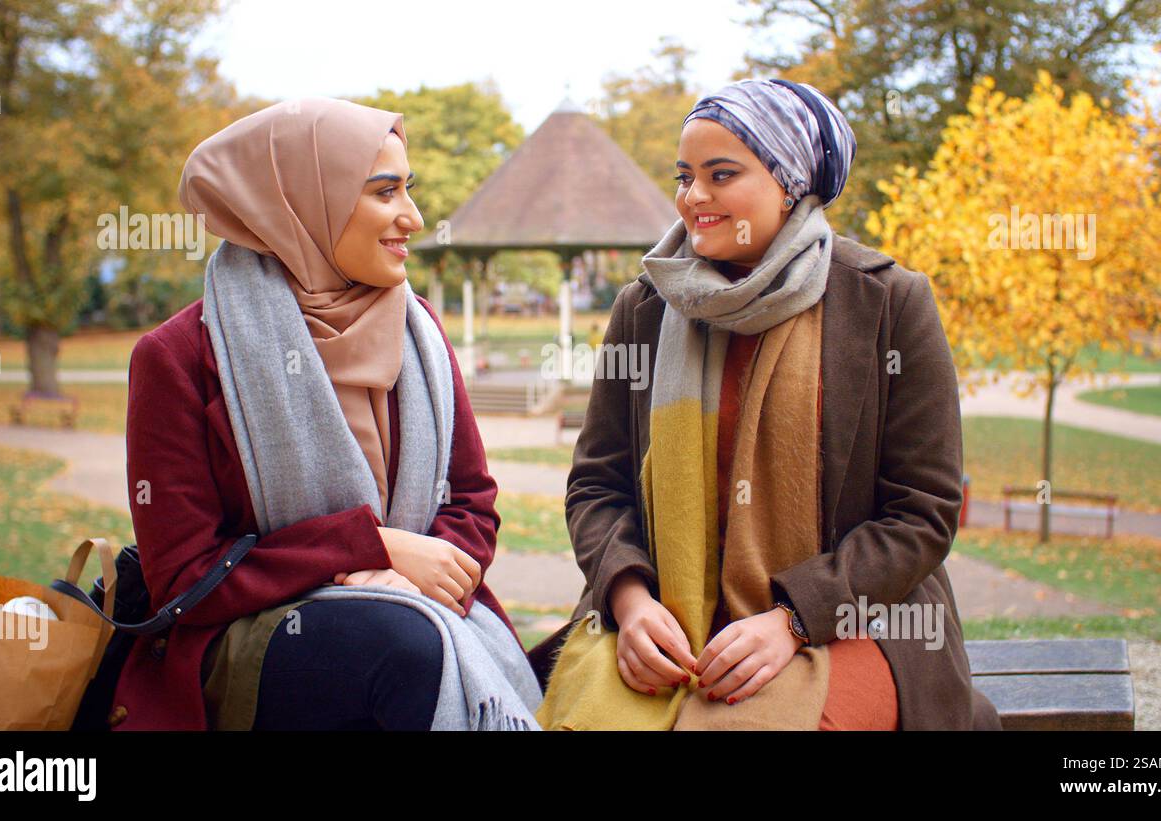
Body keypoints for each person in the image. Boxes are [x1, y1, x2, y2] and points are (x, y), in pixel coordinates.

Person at [531, 79, 1001, 730]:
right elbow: (596, 486)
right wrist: (631, 599)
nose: (694, 197)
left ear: (790, 182)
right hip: (668, 620)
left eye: (721, 174)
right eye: (685, 175)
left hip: (854, 622)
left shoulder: (888, 304)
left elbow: (922, 513)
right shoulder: (642, 310)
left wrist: (793, 620)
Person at [112, 98, 539, 731]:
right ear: (304, 204)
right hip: (245, 642)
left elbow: (472, 500)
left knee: (415, 638)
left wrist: (417, 577)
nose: (413, 218)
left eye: (408, 191)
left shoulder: (419, 333)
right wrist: (374, 550)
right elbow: (183, 576)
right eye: (384, 192)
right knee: (401, 645)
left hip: (417, 615)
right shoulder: (178, 356)